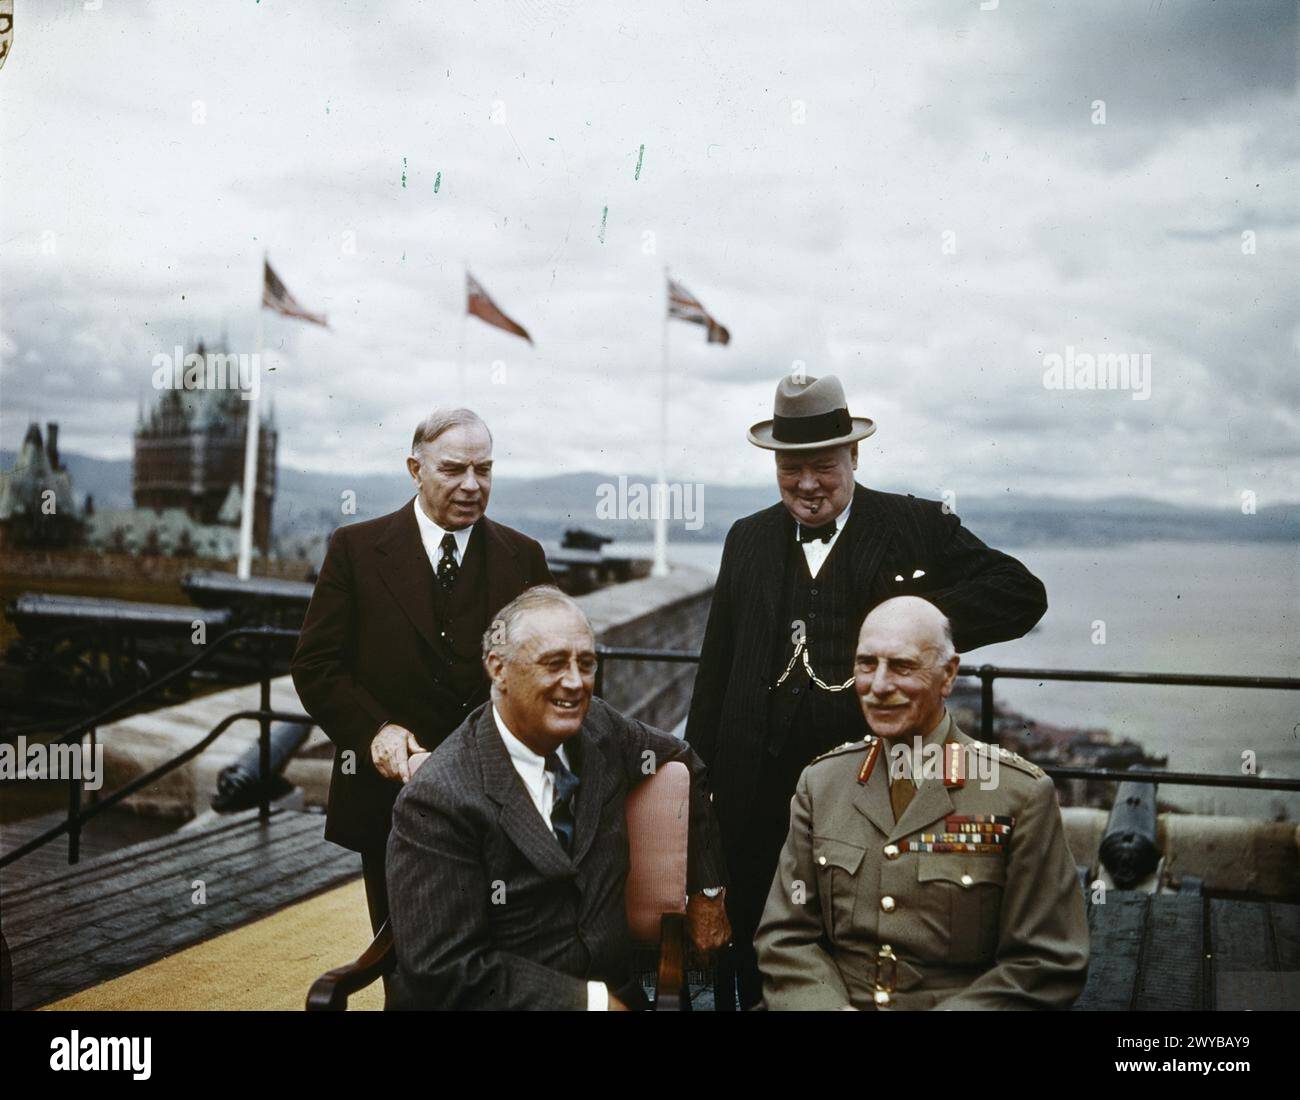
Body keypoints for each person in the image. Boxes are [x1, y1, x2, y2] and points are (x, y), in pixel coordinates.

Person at [685, 372, 1050, 1007]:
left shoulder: (914, 525)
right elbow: (713, 684)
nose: (806, 485)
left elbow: (1022, 594)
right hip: (754, 810)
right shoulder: (746, 538)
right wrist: (703, 858)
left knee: (855, 959)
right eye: (790, 468)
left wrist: (911, 621)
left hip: (871, 800)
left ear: (854, 455)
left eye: (823, 467)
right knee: (754, 969)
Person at [385, 587, 731, 1009]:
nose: (575, 682)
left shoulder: (600, 729)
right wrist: (589, 1004)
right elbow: (443, 969)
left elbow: (685, 760)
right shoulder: (439, 799)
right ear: (499, 669)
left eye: (586, 664)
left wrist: (707, 892)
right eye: (554, 663)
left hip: (618, 993)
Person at [291, 408, 553, 936]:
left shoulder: (523, 558)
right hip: (388, 807)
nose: (472, 485)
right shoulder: (356, 550)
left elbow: (548, 672)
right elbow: (316, 666)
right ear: (415, 469)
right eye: (454, 470)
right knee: (404, 967)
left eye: (484, 470)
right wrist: (375, 733)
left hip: (499, 808)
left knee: (494, 965)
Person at [756, 596, 1088, 1010]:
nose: (878, 686)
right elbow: (786, 937)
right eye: (866, 664)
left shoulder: (1017, 795)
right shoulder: (822, 784)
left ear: (948, 675)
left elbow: (1046, 961)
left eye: (902, 666)